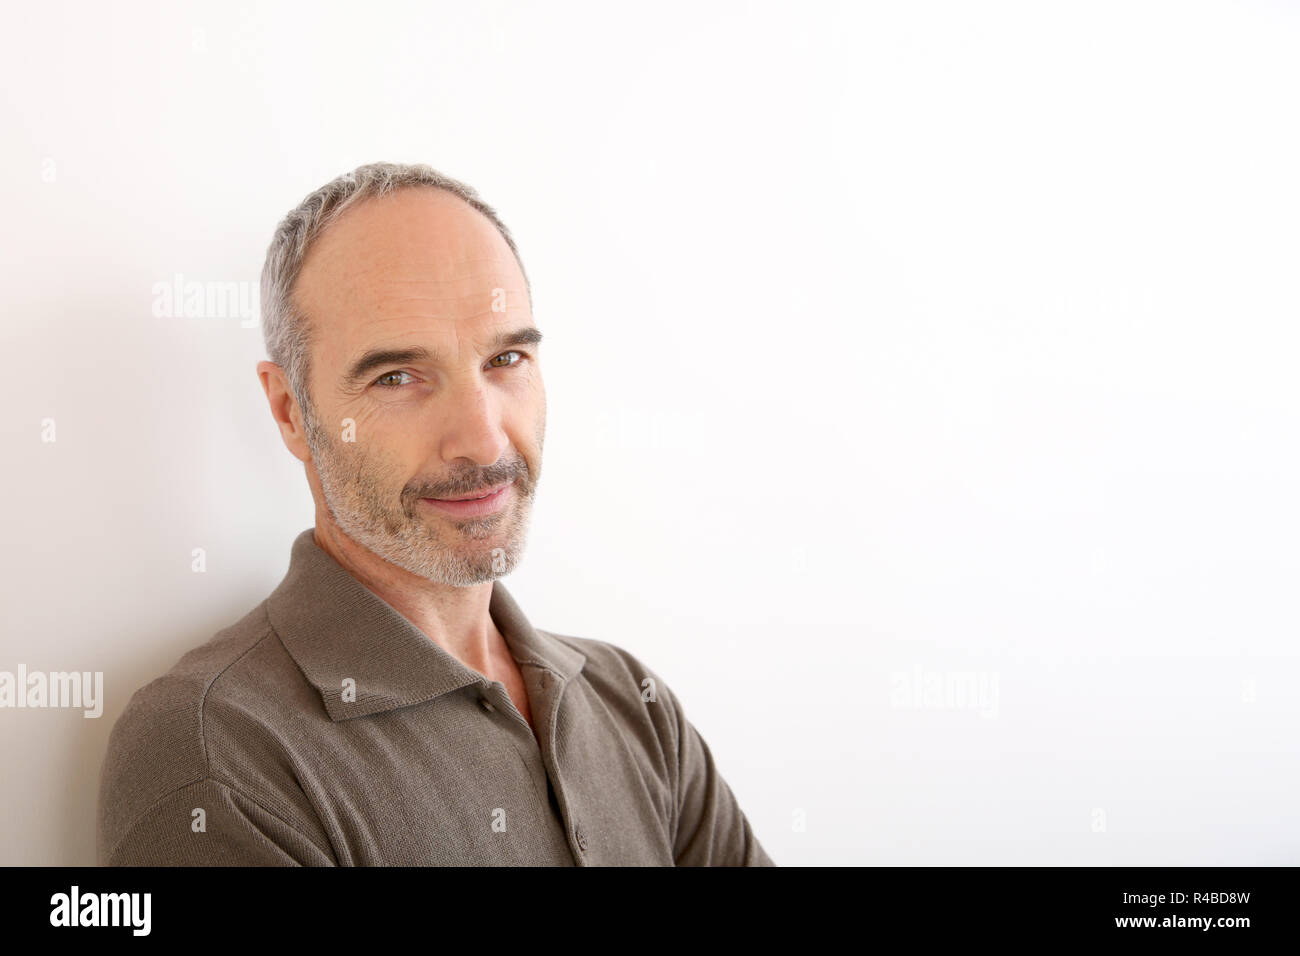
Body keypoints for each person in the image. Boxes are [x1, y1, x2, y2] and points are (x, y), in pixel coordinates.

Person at [97, 162, 774, 866]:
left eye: (506, 357)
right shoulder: (216, 756)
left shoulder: (634, 707)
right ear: (290, 411)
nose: (483, 439)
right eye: (398, 377)